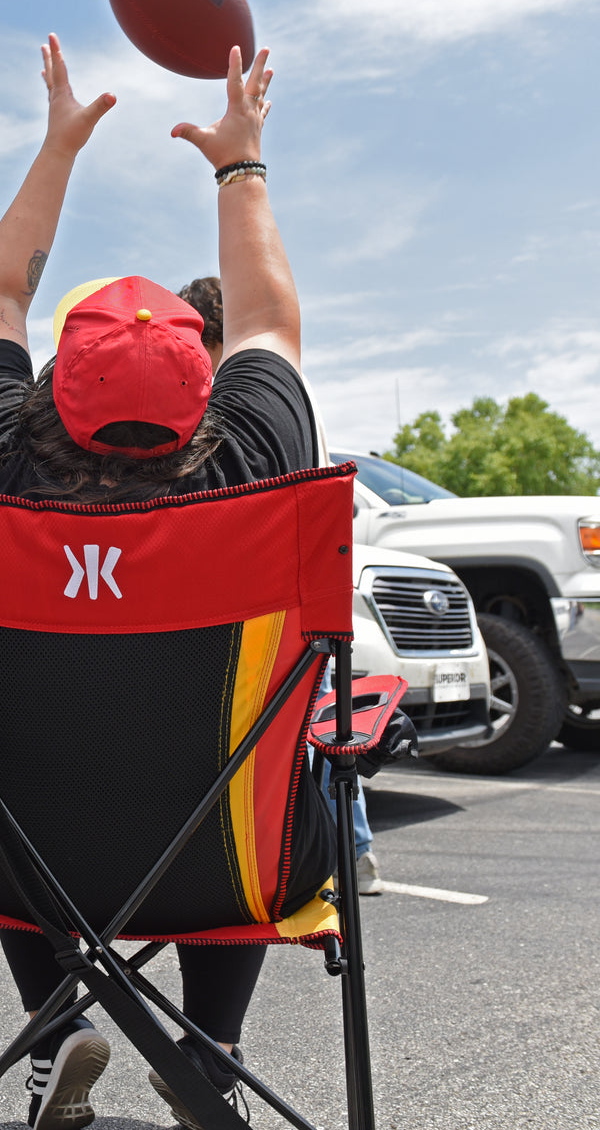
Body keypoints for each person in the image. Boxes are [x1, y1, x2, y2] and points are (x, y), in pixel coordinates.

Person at [0, 33, 336, 1130]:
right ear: (208, 400)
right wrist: (239, 162)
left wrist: (58, 146)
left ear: (53, 388)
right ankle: (212, 1047)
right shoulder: (255, 472)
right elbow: (268, 321)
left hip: (6, 864)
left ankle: (57, 1033)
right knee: (265, 756)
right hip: (237, 870)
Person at [176, 277, 383, 894]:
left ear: (213, 337)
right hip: (311, 582)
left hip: (268, 590)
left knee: (289, 727)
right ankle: (356, 852)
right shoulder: (288, 385)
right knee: (316, 717)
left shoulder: (235, 401)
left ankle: (325, 850)